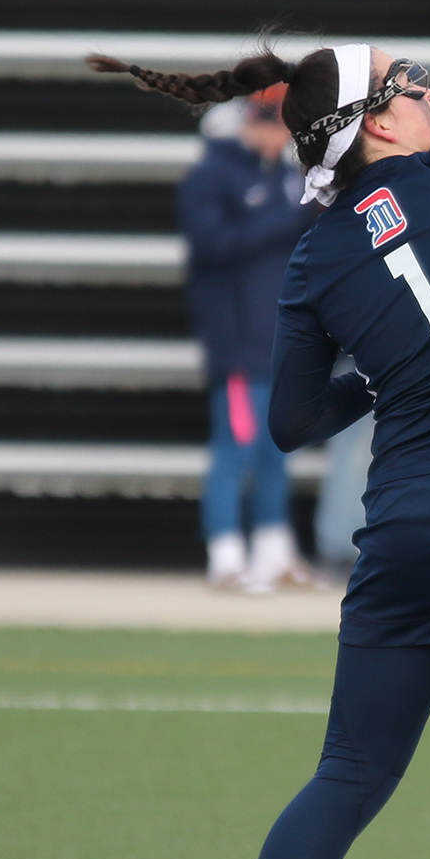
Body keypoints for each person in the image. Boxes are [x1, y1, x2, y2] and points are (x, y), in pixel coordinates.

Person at [88, 0, 430, 859]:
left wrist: (375, 379)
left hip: (407, 530)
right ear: (380, 125)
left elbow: (290, 424)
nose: (429, 91)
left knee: (349, 776)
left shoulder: (315, 255)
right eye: (411, 83)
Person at [179, 95, 316, 591]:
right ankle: (226, 556)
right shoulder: (212, 176)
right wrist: (289, 217)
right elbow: (212, 243)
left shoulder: (284, 175)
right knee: (234, 448)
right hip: (237, 342)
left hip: (278, 340)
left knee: (274, 451)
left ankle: (274, 553)